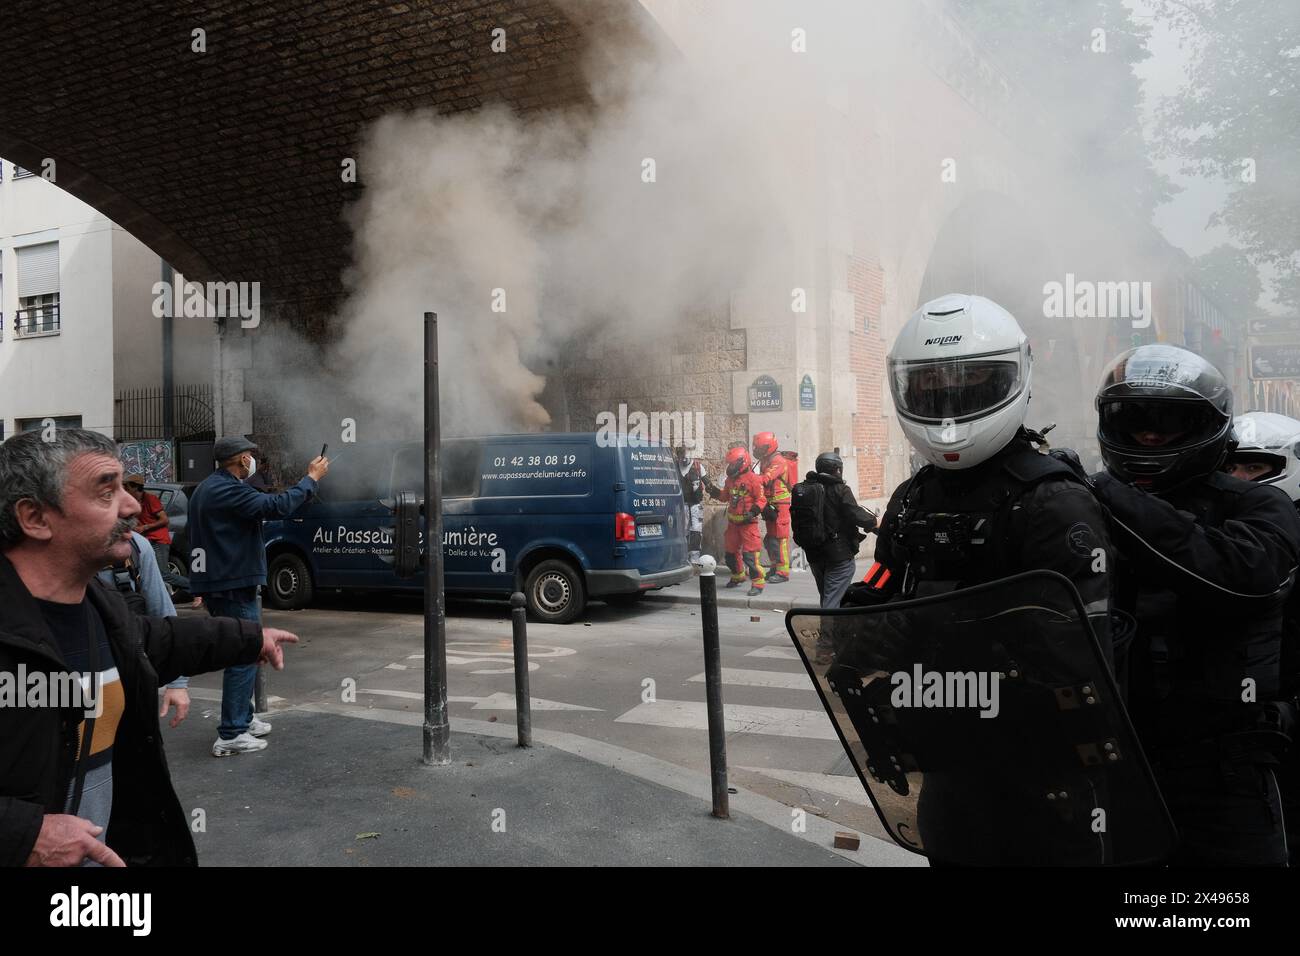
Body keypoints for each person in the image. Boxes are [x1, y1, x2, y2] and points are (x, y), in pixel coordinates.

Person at [859, 293, 1116, 864]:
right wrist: (865, 618)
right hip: (949, 763)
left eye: (970, 384)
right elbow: (885, 581)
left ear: (1016, 374)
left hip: (1040, 776)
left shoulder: (1051, 501)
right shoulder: (912, 498)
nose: (948, 401)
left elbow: (1079, 662)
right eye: (930, 388)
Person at [0, 428, 298, 867]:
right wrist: (25, 835)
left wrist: (249, 638)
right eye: (106, 492)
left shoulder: (97, 607)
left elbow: (149, 640)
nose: (133, 506)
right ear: (36, 519)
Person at [1091, 346, 1300, 866]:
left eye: (1171, 422)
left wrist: (1107, 494)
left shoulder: (1257, 504)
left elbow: (1238, 575)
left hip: (1224, 765)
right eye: (1137, 421)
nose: (1151, 436)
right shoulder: (1084, 507)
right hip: (1115, 754)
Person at [187, 436, 327, 756]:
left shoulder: (213, 487)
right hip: (231, 583)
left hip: (224, 581)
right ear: (238, 459)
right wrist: (311, 479)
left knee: (244, 650)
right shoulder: (225, 489)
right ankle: (232, 733)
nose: (253, 460)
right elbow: (274, 506)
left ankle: (243, 719)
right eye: (250, 455)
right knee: (245, 653)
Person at [1222, 410, 1300, 864]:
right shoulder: (1216, 537)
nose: (1241, 477)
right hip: (1235, 732)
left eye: (1255, 467)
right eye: (1233, 466)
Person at [97, 529, 192, 728]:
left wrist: (177, 682)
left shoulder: (134, 546)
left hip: (126, 681)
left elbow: (164, 615)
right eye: (106, 497)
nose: (130, 505)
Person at [789, 451, 878, 663]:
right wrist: (875, 523)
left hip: (814, 553)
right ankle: (825, 648)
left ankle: (837, 641)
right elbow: (854, 513)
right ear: (837, 469)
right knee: (831, 601)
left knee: (828, 598)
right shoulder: (840, 489)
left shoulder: (805, 488)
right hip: (838, 556)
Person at [121, 474, 198, 607]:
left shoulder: (150, 499)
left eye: (127, 487)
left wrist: (145, 527)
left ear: (134, 487)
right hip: (146, 541)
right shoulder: (132, 502)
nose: (125, 490)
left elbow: (164, 520)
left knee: (163, 574)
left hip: (158, 540)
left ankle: (196, 588)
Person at [702, 446, 767, 596]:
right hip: (733, 524)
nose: (730, 467)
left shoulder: (754, 480)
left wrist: (753, 512)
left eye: (732, 464)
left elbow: (761, 499)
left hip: (748, 524)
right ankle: (738, 576)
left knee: (750, 556)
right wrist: (713, 490)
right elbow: (725, 496)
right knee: (730, 554)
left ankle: (758, 583)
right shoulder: (731, 480)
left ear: (742, 463)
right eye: (729, 464)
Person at [752, 432, 796, 583]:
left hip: (780, 505)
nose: (757, 450)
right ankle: (774, 566)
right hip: (770, 504)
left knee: (780, 538)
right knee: (770, 538)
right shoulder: (766, 460)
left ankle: (783, 572)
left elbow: (766, 479)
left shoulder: (778, 461)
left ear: (768, 447)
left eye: (759, 447)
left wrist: (748, 480)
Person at [674, 445, 708, 564]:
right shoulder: (674, 466)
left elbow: (707, 483)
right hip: (680, 503)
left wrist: (718, 493)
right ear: (678, 456)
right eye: (681, 457)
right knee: (682, 530)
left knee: (696, 529)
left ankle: (694, 557)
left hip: (695, 503)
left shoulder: (698, 467)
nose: (684, 460)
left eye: (686, 457)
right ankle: (683, 556)